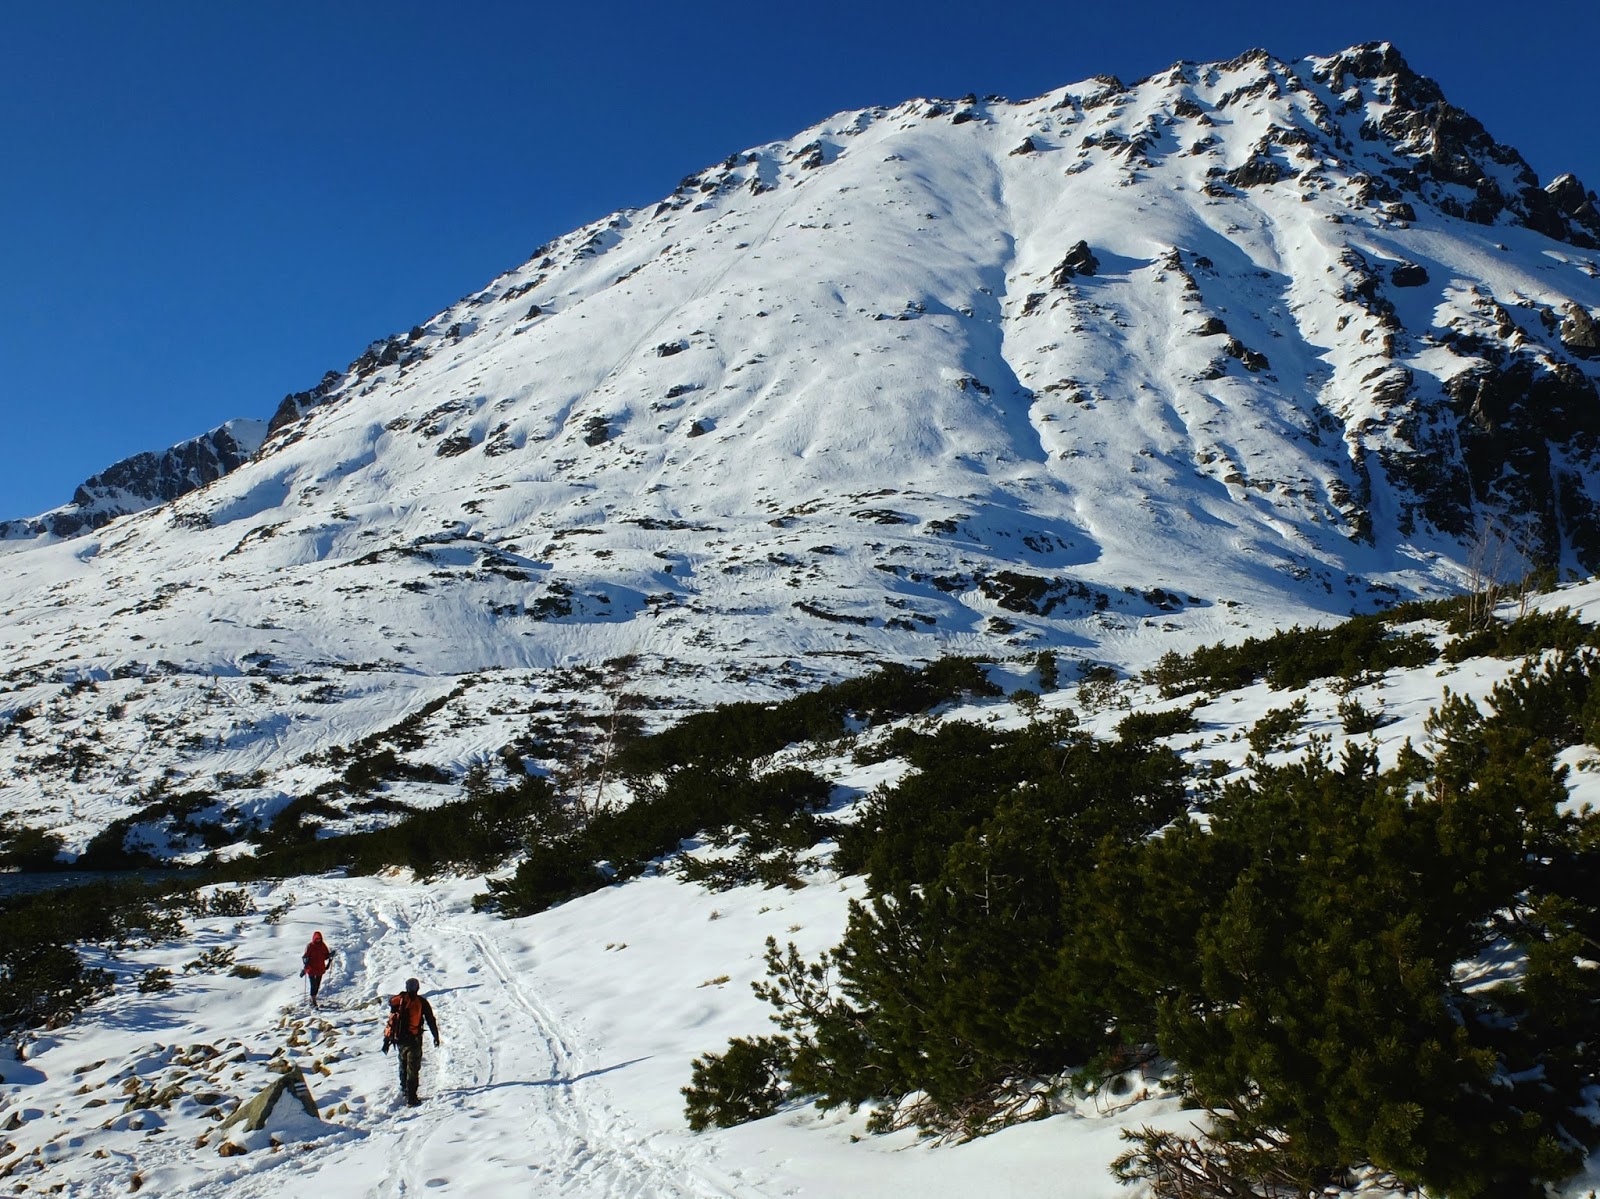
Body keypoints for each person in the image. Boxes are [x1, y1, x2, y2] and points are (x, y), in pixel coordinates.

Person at [382, 977, 440, 1106]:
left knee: (403, 1063)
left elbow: (392, 1021)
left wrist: (386, 1040)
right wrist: (436, 1036)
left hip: (400, 1040)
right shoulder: (421, 1002)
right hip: (414, 1040)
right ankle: (412, 1097)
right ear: (418, 988)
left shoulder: (399, 1001)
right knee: (413, 1068)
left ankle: (404, 1089)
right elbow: (430, 1020)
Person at [300, 931, 334, 1008]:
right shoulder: (310, 946)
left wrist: (330, 955)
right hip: (311, 968)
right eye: (317, 938)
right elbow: (305, 956)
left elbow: (325, 956)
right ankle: (313, 1000)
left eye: (319, 938)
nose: (318, 940)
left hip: (320, 968)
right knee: (313, 985)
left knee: (317, 985)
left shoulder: (323, 946)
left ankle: (313, 998)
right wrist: (305, 963)